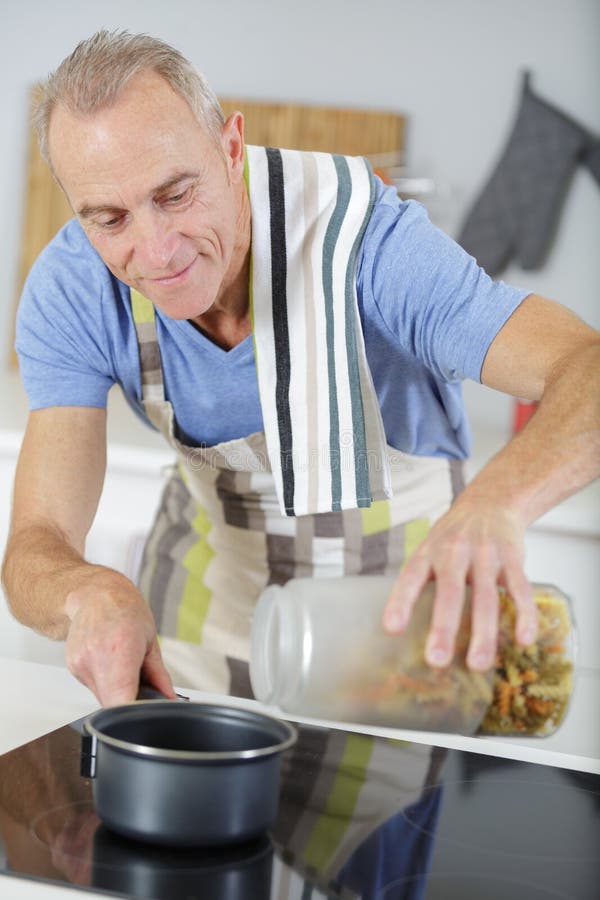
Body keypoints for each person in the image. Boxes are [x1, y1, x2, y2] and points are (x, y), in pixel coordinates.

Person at [2, 30, 599, 708]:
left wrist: (498, 502)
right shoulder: (73, 287)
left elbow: (587, 365)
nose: (157, 251)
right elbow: (36, 542)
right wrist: (86, 593)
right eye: (109, 218)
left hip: (395, 631)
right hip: (199, 623)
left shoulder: (368, 241)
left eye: (175, 194)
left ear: (230, 151)